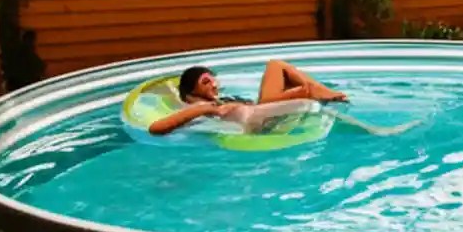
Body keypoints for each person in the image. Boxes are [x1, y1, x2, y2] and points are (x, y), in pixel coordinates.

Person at [148, 60, 347, 136]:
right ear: (190, 88)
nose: (214, 85)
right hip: (255, 119)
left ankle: (321, 91)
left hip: (258, 110)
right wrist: (207, 109)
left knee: (275, 65)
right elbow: (156, 128)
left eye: (215, 80)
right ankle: (319, 91)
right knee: (306, 90)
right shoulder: (194, 108)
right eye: (206, 81)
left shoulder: (218, 101)